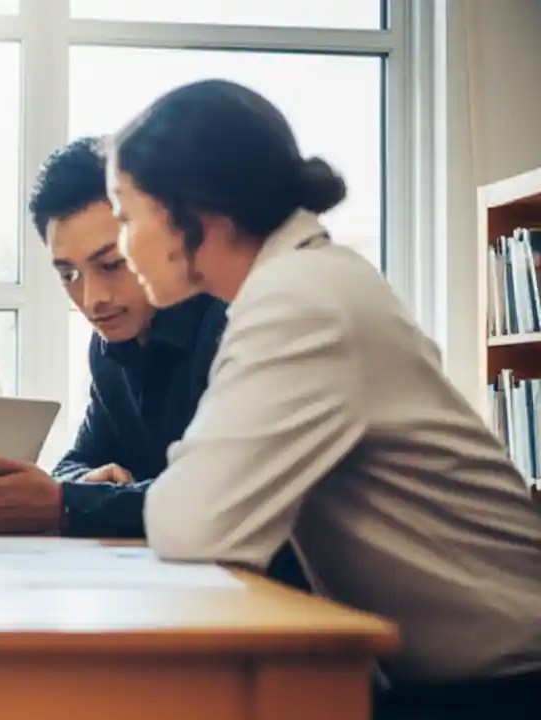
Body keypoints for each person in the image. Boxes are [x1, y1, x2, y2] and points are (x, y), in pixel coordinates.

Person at [108, 79, 541, 718]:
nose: (121, 244)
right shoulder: (302, 283)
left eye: (124, 213)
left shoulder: (300, 299)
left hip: (501, 690)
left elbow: (191, 526)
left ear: (194, 214)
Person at [0, 136, 226, 538]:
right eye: (68, 274)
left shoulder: (227, 324)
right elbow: (77, 462)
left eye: (112, 265)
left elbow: (216, 497)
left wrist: (67, 504)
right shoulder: (110, 345)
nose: (92, 299)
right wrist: (80, 487)